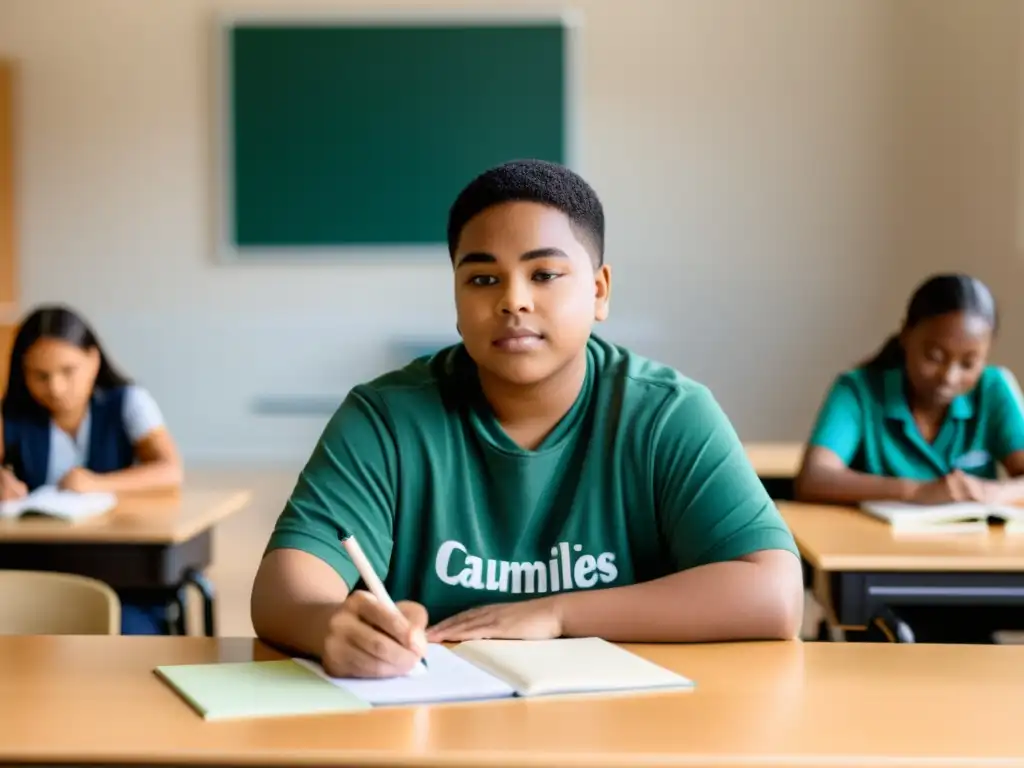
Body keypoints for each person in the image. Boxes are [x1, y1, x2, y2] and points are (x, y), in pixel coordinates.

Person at [252, 159, 803, 678]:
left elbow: (775, 596)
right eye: (483, 279)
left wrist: (559, 613)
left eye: (544, 274)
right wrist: (331, 627)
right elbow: (284, 589)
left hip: (621, 735)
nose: (513, 300)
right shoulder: (387, 418)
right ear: (456, 295)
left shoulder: (665, 413)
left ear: (599, 290)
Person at [795, 273, 1024, 642]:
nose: (950, 376)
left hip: (971, 578)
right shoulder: (858, 390)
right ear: (905, 335)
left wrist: (991, 493)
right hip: (885, 585)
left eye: (969, 363)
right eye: (934, 356)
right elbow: (814, 478)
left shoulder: (995, 389)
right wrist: (916, 491)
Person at [1, 305, 184, 634]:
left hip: (118, 572)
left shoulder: (128, 401)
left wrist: (100, 483)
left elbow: (170, 470)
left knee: (125, 630)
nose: (55, 388)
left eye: (68, 371)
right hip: (36, 570)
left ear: (93, 360)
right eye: (40, 376)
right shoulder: (13, 414)